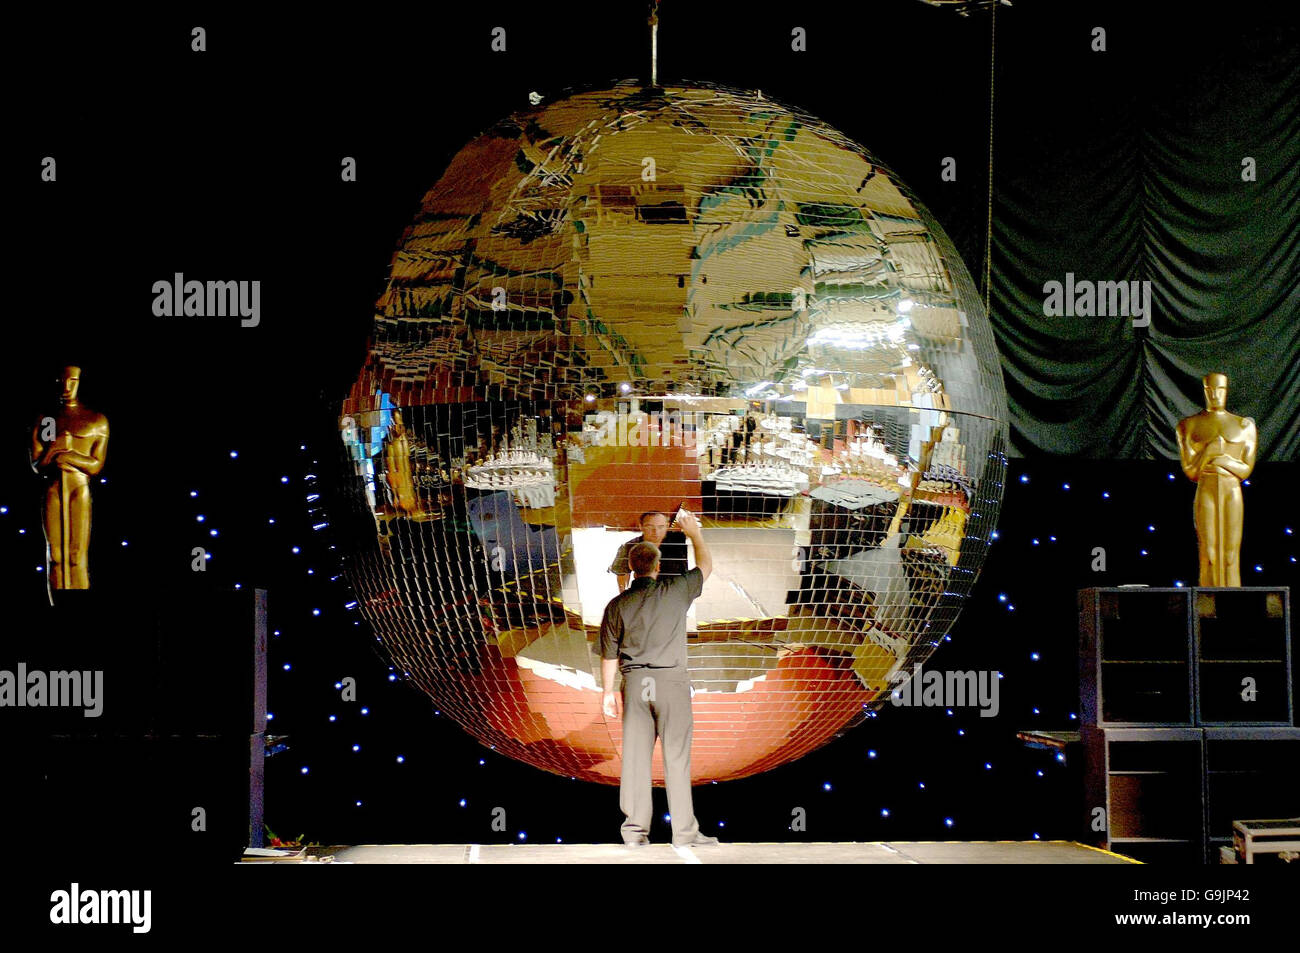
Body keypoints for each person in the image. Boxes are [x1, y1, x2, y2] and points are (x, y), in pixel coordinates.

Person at [599, 509, 719, 848]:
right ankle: (685, 834)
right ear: (658, 566)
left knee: (635, 760)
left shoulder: (617, 605)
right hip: (670, 683)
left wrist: (607, 693)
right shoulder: (676, 590)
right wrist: (695, 534)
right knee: (676, 757)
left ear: (631, 566)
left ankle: (635, 833)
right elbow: (706, 567)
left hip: (636, 685)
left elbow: (609, 654)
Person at [1175, 372, 1257, 586]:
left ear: (1226, 391)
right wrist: (1208, 452)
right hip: (1206, 487)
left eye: (1220, 389)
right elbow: (1191, 471)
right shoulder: (1188, 426)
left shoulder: (1243, 426)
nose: (1215, 395)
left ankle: (1233, 601)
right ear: (1204, 391)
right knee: (1208, 553)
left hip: (1232, 489)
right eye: (1210, 390)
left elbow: (1245, 469)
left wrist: (1223, 460)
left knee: (1230, 555)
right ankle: (1207, 601)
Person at [608, 511, 688, 593]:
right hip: (645, 594)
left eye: (661, 527)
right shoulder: (630, 546)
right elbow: (621, 574)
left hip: (676, 593)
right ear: (641, 526)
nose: (655, 531)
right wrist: (625, 595)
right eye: (650, 527)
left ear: (667, 526)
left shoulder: (679, 541)